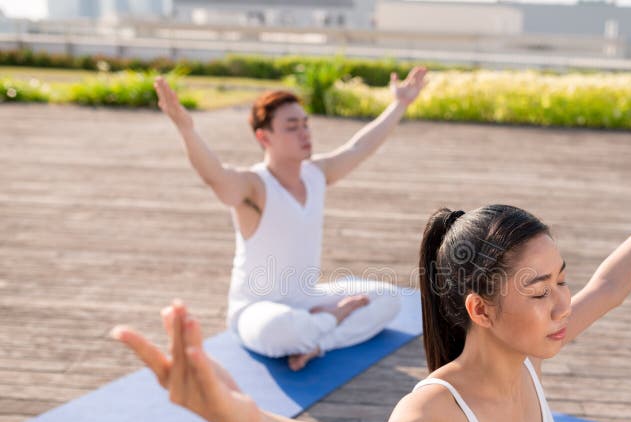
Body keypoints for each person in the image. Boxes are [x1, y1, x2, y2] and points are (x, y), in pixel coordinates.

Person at [111, 136, 631, 422]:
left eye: (561, 280)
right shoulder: (440, 407)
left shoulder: (530, 354)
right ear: (482, 309)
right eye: (539, 289)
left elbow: (607, 285)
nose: (562, 303)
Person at [153, 66, 428, 370]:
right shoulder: (253, 187)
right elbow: (215, 175)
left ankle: (320, 342)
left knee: (389, 299)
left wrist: (400, 103)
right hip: (258, 310)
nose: (304, 133)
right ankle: (332, 319)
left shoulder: (316, 174)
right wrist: (186, 129)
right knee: (282, 329)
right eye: (292, 126)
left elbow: (360, 146)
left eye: (305, 124)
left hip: (309, 298)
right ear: (264, 136)